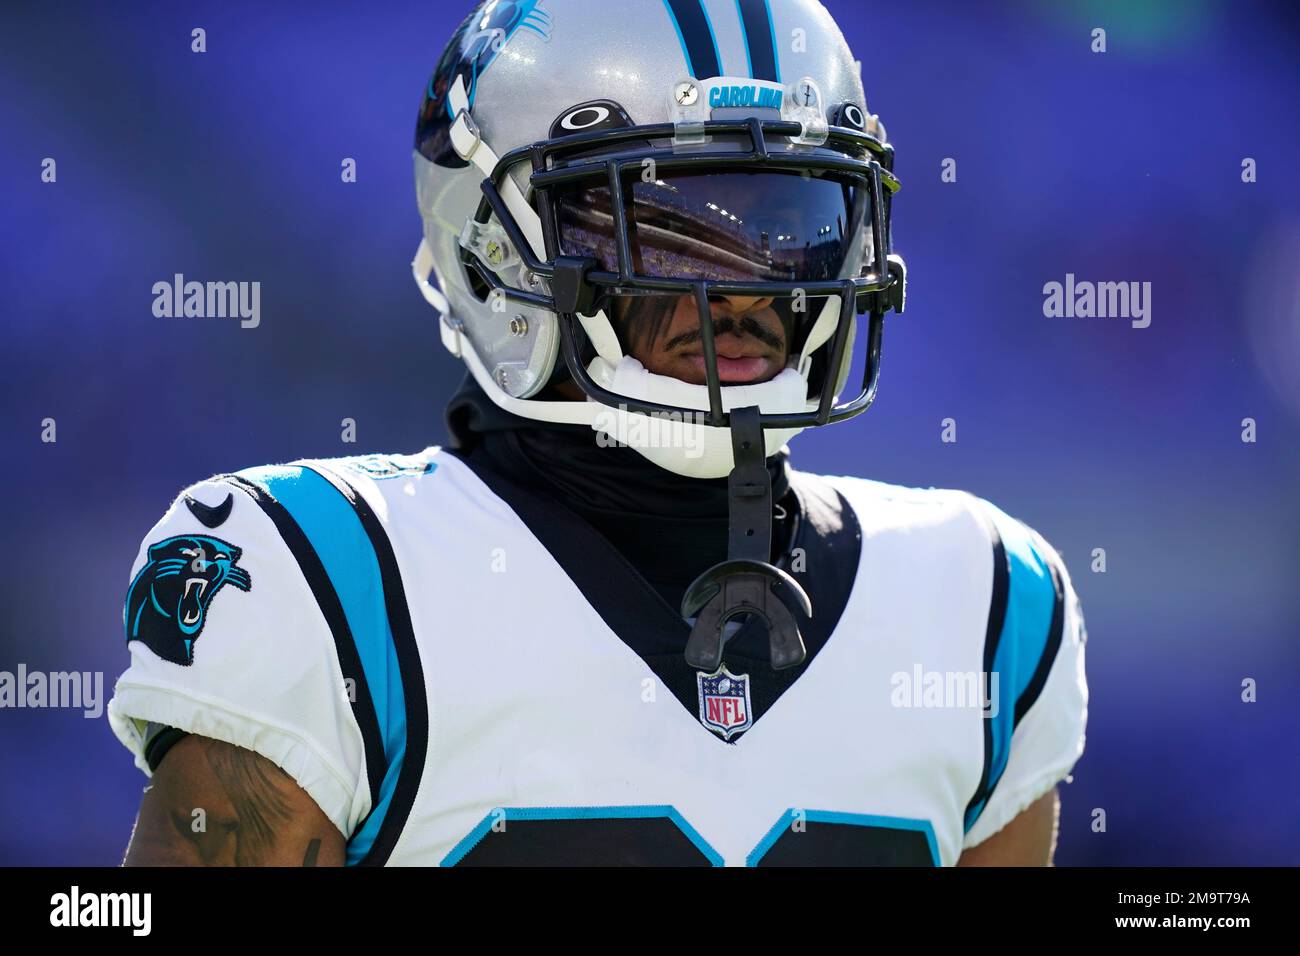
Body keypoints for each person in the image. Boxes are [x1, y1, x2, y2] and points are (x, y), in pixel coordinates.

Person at [111, 0, 1086, 866]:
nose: (745, 289)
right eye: (661, 227)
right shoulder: (328, 577)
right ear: (493, 250)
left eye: (789, 220)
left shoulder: (984, 601)